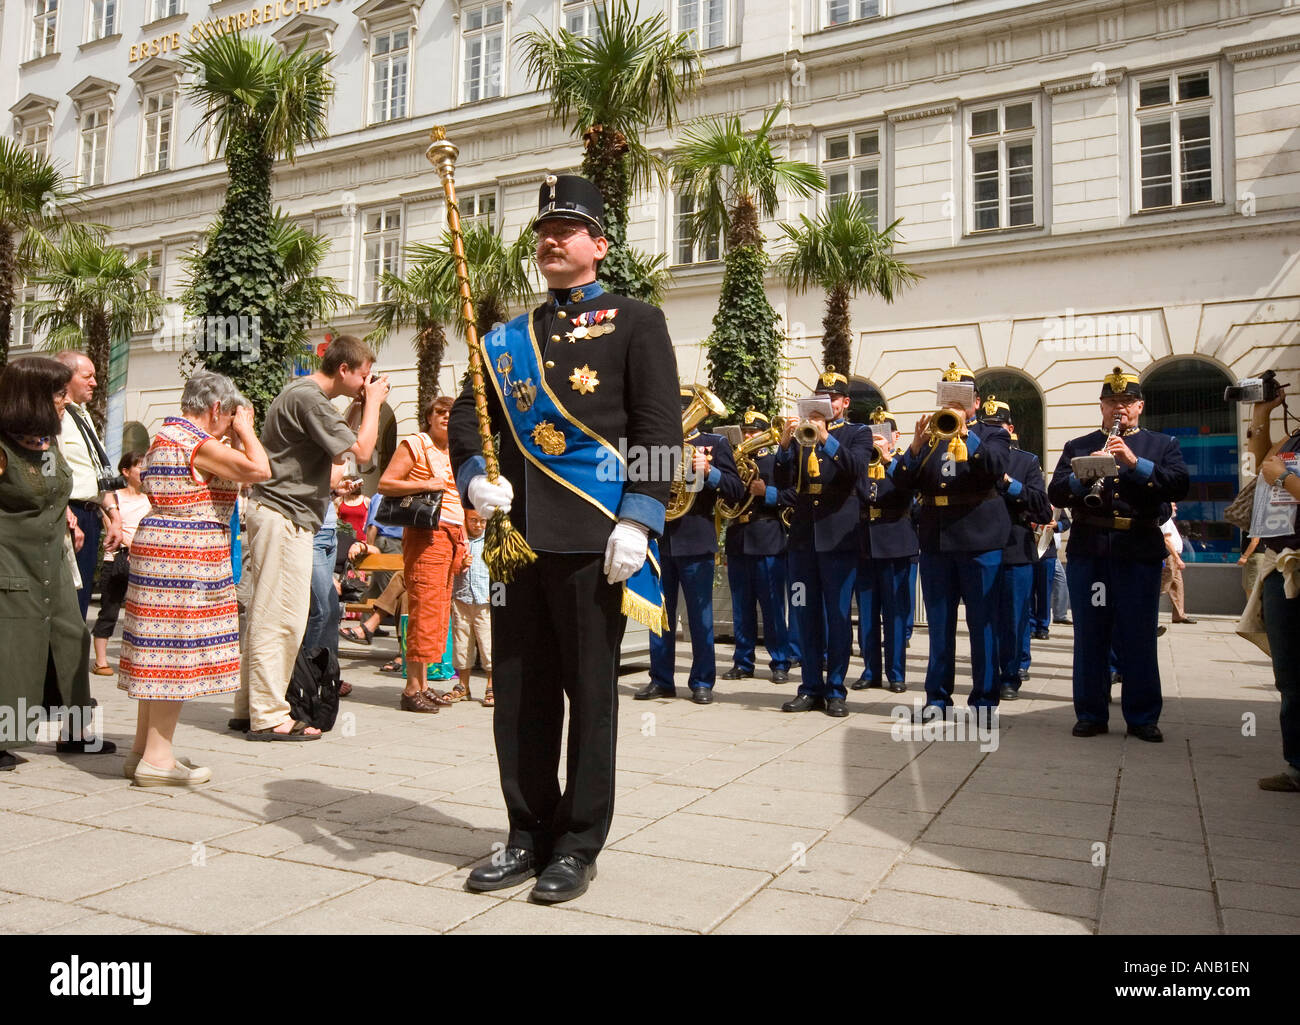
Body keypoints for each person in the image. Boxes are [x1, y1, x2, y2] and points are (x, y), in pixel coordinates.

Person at [449, 174, 680, 903]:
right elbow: (466, 416)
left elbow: (656, 428)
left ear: (598, 245)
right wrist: (473, 475)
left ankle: (577, 843)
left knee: (589, 692)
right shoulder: (506, 339)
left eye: (568, 229)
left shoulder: (636, 321)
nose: (551, 239)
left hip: (595, 539)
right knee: (517, 690)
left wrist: (640, 517)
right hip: (519, 541)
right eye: (544, 229)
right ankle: (525, 832)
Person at [234, 334, 389, 740]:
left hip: (283, 514)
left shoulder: (303, 395)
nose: (366, 384)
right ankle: (268, 715)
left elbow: (340, 453)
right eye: (364, 376)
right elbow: (364, 452)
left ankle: (248, 705)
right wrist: (373, 405)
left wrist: (357, 408)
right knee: (282, 616)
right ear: (344, 370)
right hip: (285, 515)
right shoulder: (308, 397)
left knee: (269, 611)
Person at [119, 373, 271, 785]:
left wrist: (234, 435)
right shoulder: (198, 443)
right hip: (189, 555)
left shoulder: (167, 435)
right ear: (217, 408)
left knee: (157, 649)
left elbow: (230, 476)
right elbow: (259, 469)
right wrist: (248, 431)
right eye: (230, 414)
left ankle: (145, 751)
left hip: (161, 547)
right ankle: (158, 760)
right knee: (175, 654)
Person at [1048, 367, 1189, 742]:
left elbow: (1178, 484)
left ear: (1140, 406)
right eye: (1111, 402)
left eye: (1126, 402)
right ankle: (1091, 713)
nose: (1118, 409)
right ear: (1101, 406)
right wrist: (1084, 474)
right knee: (1092, 633)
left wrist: (1134, 463)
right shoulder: (1079, 445)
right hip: (1091, 550)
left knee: (1138, 633)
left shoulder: (1162, 445)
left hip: (1137, 550)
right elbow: (1056, 493)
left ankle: (1142, 716)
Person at [0, 357, 115, 770]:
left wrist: (68, 510)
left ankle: (76, 732)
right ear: (30, 397)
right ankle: (3, 736)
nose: (65, 400)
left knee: (72, 638)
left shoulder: (46, 442)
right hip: (12, 564)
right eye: (57, 393)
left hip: (55, 562)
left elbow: (55, 485)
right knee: (16, 649)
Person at [891, 364, 1012, 714]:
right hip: (937, 541)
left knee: (983, 625)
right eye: (948, 399)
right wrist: (914, 448)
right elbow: (901, 483)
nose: (954, 406)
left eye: (961, 400)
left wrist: (965, 433)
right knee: (940, 626)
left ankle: (985, 701)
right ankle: (937, 699)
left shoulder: (992, 433)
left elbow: (993, 467)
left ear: (975, 403)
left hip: (979, 539)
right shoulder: (930, 438)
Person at [638, 386, 743, 704]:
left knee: (700, 616)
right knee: (658, 615)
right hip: (661, 539)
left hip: (696, 540)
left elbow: (735, 489)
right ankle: (661, 679)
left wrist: (709, 472)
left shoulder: (715, 443)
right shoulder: (656, 444)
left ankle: (701, 682)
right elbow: (641, 484)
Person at [776, 368, 871, 717]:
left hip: (838, 539)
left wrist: (826, 438)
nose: (826, 402)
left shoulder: (857, 434)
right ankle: (809, 687)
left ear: (844, 403)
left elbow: (855, 469)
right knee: (805, 614)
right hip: (803, 539)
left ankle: (836, 689)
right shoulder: (801, 436)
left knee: (838, 616)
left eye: (832, 398)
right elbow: (784, 483)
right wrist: (786, 446)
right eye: (820, 397)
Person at [378, 394, 466, 712]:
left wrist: (465, 539)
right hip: (426, 534)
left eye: (451, 413)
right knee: (424, 609)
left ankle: (425, 684)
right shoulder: (416, 444)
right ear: (429, 417)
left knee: (438, 613)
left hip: (452, 536)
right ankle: (411, 689)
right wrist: (426, 483)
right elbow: (386, 484)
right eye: (439, 412)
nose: (446, 417)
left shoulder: (452, 451)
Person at [1237, 379, 1300, 790]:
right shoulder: (1296, 437)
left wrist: (1285, 481)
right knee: (1290, 671)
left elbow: (1276, 477)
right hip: (1283, 565)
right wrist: (1263, 414)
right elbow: (1262, 464)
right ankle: (1297, 765)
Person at [980, 398, 1051, 700]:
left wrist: (1010, 485)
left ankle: (1012, 674)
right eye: (987, 427)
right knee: (984, 618)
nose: (993, 432)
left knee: (1014, 617)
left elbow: (1043, 508)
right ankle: (987, 674)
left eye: (999, 427)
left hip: (1014, 547)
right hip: (981, 546)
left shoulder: (1026, 461)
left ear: (1010, 429)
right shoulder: (973, 457)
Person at [722, 409, 796, 685]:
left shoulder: (777, 461)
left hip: (767, 538)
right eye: (746, 431)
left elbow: (792, 495)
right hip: (739, 538)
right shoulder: (734, 460)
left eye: (755, 431)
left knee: (773, 606)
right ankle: (743, 661)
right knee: (741, 607)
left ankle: (780, 661)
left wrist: (767, 493)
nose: (749, 436)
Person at [53, 351, 122, 619]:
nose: (95, 382)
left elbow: (95, 470)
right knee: (66, 600)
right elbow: (52, 468)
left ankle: (74, 660)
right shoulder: (53, 414)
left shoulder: (82, 416)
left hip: (90, 515)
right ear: (65, 377)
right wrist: (63, 511)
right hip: (68, 515)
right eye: (87, 376)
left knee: (80, 602)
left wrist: (113, 515)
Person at [852, 408, 916, 694]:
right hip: (864, 542)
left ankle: (896, 672)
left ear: (895, 437)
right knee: (867, 613)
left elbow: (911, 493)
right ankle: (870, 670)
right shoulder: (861, 464)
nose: (878, 441)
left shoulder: (903, 463)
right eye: (873, 436)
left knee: (895, 612)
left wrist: (889, 462)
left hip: (895, 542)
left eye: (883, 436)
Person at [91, 451, 150, 675]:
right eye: (139, 466)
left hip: (143, 561)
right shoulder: (113, 499)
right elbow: (110, 526)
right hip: (116, 560)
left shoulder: (150, 498)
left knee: (142, 613)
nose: (144, 470)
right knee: (110, 609)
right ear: (126, 471)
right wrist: (129, 545)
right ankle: (101, 661)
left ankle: (139, 662)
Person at [451, 509, 493, 706]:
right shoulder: (460, 541)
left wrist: (497, 598)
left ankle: (492, 685)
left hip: (485, 601)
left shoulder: (491, 542)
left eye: (482, 521)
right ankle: (462, 685)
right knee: (461, 643)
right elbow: (450, 567)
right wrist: (459, 562)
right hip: (462, 598)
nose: (478, 525)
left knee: (488, 644)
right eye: (474, 520)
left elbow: (500, 571)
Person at [1031, 508, 1070, 640]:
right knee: (1028, 592)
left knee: (1044, 592)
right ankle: (1030, 626)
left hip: (1047, 552)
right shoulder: (1025, 498)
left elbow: (1065, 522)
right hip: (1027, 551)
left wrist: (1056, 525)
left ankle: (1042, 627)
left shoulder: (1052, 503)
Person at [1160, 502, 1196, 624]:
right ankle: (1145, 607)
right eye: (1173, 505)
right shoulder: (1165, 521)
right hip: (1170, 556)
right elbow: (1167, 540)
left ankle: (1179, 615)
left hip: (1174, 556)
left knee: (1177, 585)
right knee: (1164, 585)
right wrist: (1177, 558)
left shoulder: (1169, 521)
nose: (1176, 508)